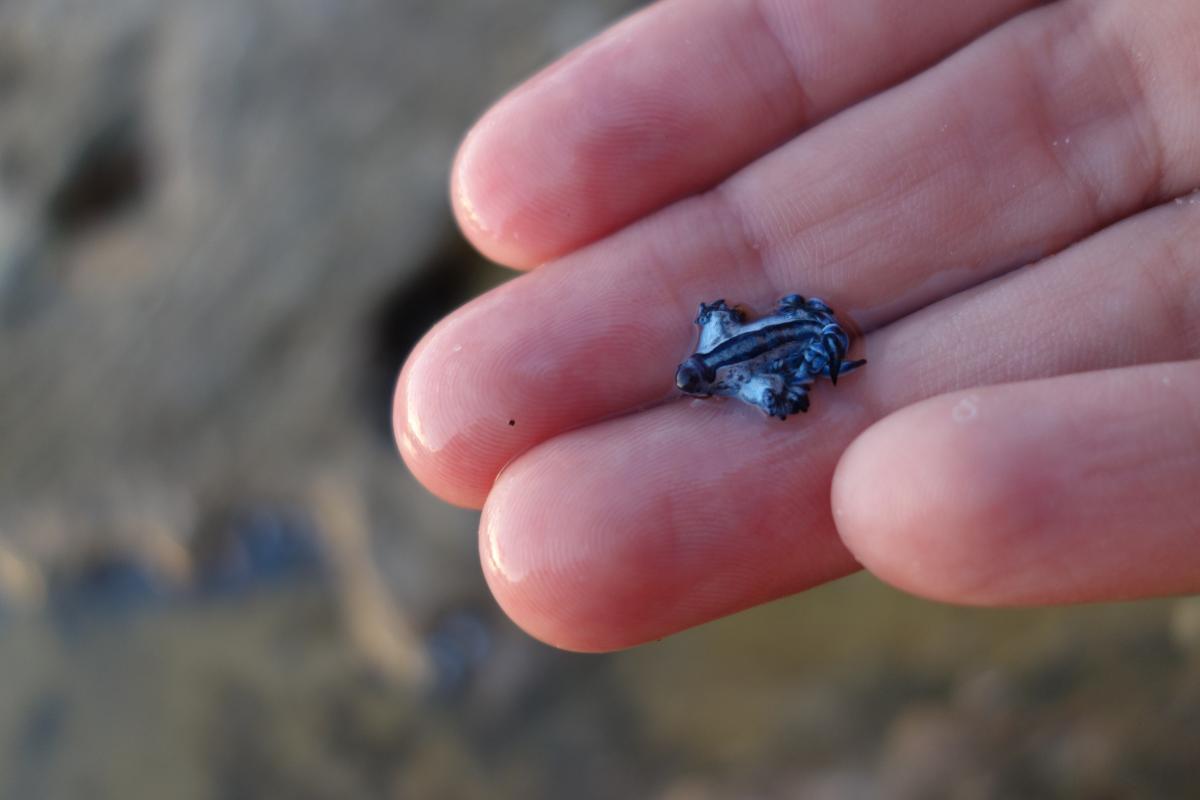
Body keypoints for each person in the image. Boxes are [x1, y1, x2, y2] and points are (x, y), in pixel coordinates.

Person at [394, 0, 1200, 652]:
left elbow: (765, 374)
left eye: (697, 379)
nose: (692, 378)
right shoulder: (721, 361)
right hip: (790, 332)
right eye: (694, 379)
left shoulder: (730, 364)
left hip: (797, 331)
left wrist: (778, 371)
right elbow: (737, 341)